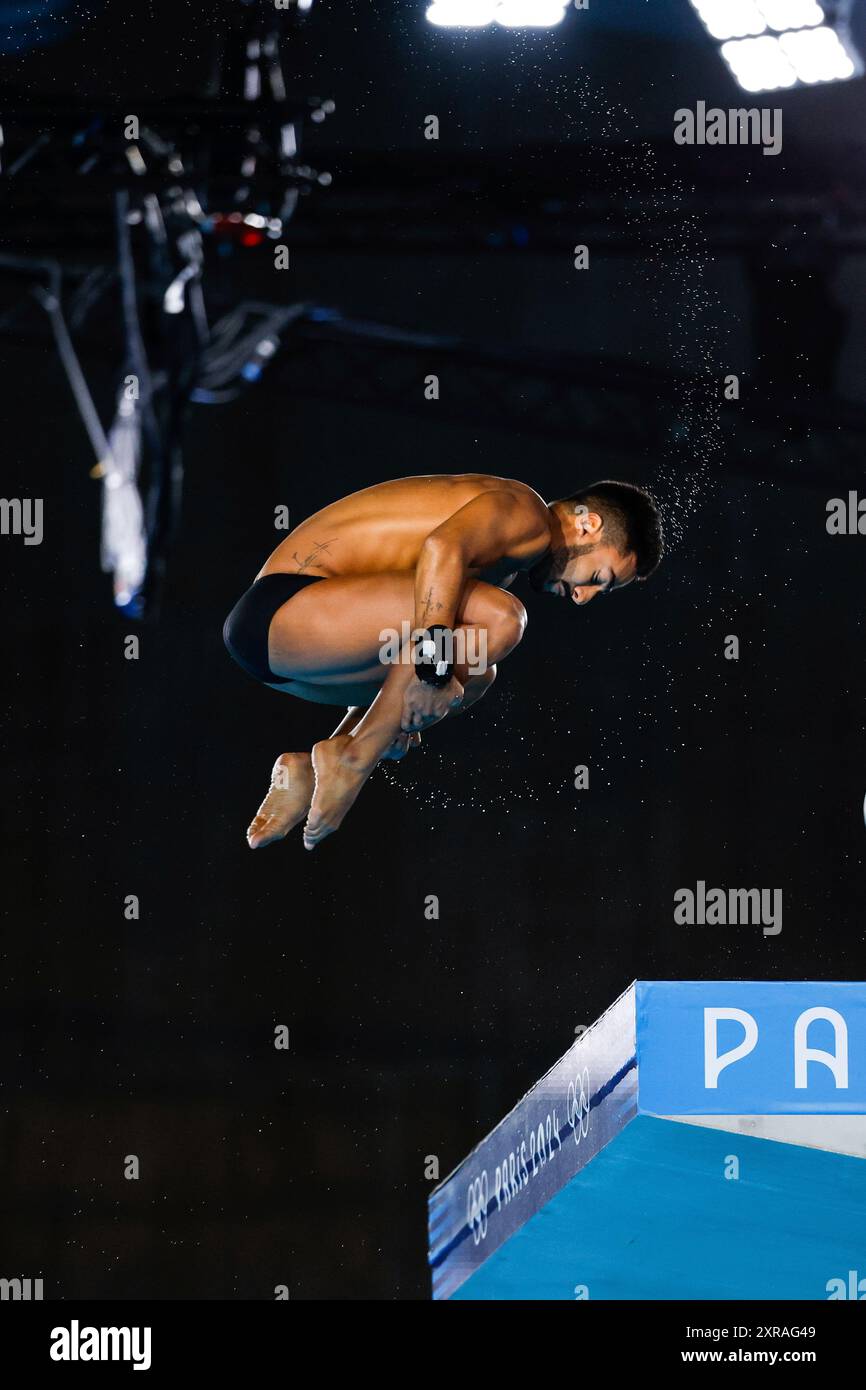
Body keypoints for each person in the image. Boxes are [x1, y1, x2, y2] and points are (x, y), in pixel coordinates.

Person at [223, 473, 663, 850]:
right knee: (502, 619)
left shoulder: (505, 561)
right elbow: (441, 547)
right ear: (588, 524)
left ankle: (318, 761)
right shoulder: (528, 515)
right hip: (282, 610)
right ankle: (353, 759)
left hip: (293, 652)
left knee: (477, 672)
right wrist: (431, 673)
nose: (584, 597)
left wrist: (419, 687)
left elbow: (417, 632)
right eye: (599, 579)